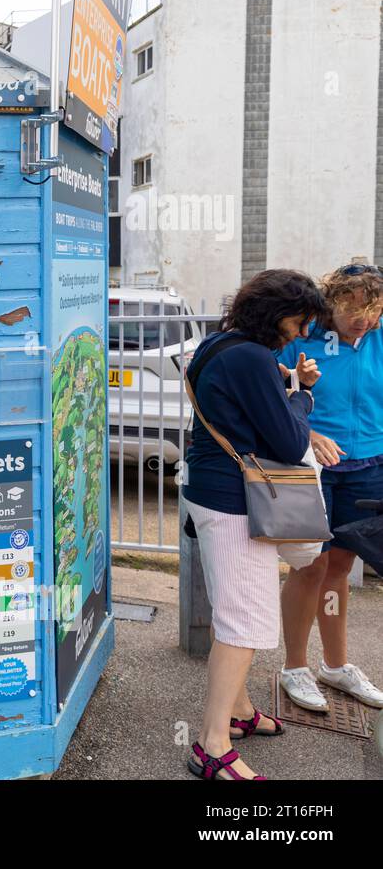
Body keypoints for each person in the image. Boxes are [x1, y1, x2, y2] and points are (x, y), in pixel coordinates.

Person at [181, 269, 328, 780]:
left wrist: (290, 387)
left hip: (209, 491)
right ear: (275, 314)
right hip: (237, 502)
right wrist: (303, 397)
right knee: (242, 624)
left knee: (231, 611)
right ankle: (211, 743)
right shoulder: (254, 359)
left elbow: (239, 415)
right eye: (300, 321)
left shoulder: (218, 345)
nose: (303, 333)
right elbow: (288, 443)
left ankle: (239, 712)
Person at [277, 264, 383, 712]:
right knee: (309, 568)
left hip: (369, 465)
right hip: (312, 467)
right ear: (333, 302)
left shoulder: (379, 337)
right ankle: (294, 667)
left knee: (340, 568)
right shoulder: (304, 337)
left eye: (374, 311)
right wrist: (309, 432)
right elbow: (272, 393)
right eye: (353, 309)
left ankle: (335, 666)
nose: (363, 320)